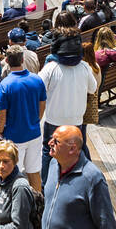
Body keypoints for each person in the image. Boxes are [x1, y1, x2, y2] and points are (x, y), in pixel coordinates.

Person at [39, 29, 98, 183]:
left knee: (48, 151)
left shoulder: (51, 68)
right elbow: (93, 88)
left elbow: (39, 88)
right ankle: (78, 183)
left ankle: (45, 185)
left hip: (54, 120)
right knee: (75, 153)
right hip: (76, 121)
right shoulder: (84, 67)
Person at [0, 46, 47, 192]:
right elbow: (42, 105)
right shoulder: (37, 80)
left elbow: (1, 114)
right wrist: (35, 120)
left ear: (6, 61)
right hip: (34, 134)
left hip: (13, 137)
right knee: (34, 172)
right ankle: (38, 205)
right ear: (23, 59)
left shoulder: (5, 84)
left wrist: (0, 131)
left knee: (12, 175)